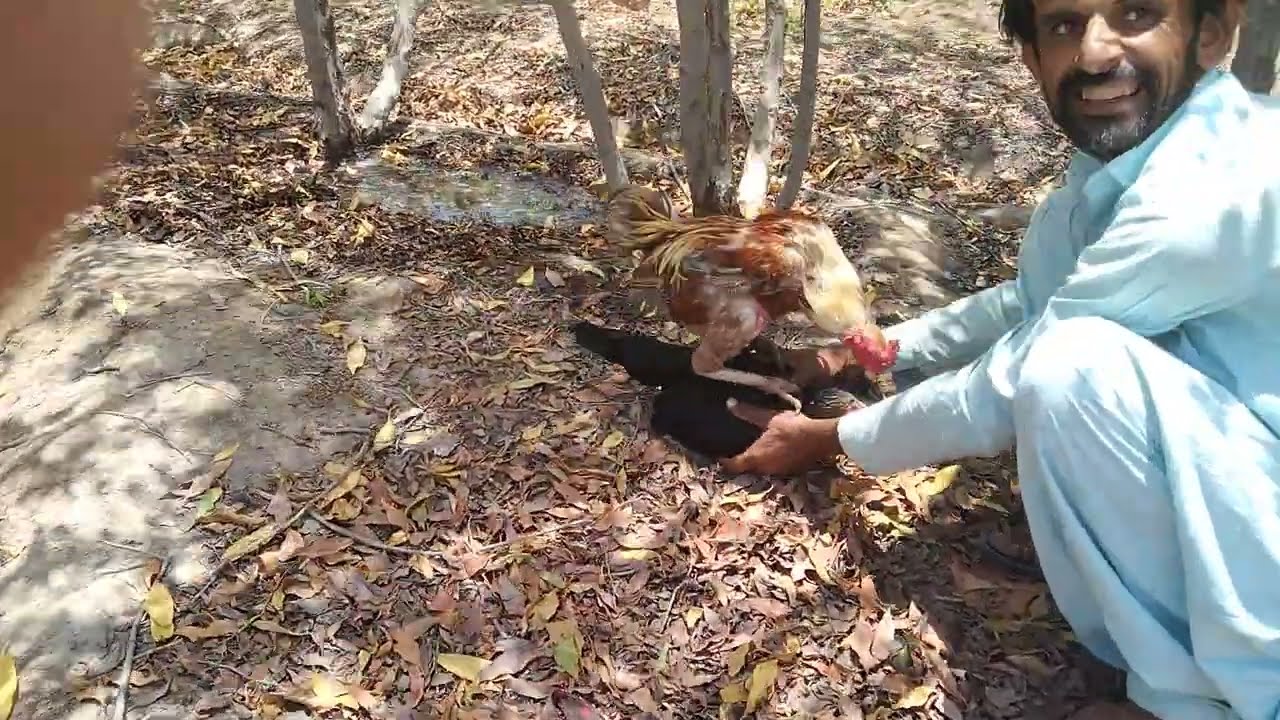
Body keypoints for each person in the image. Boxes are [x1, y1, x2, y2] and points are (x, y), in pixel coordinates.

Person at [724, 0, 1280, 718]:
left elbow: (1025, 368)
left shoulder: (1216, 185)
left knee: (1070, 369)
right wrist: (864, 353)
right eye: (1064, 25)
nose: (1095, 53)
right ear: (1031, 56)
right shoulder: (1117, 166)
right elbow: (1033, 302)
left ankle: (1207, 701)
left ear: (1213, 32)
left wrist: (830, 438)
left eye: (1137, 13)